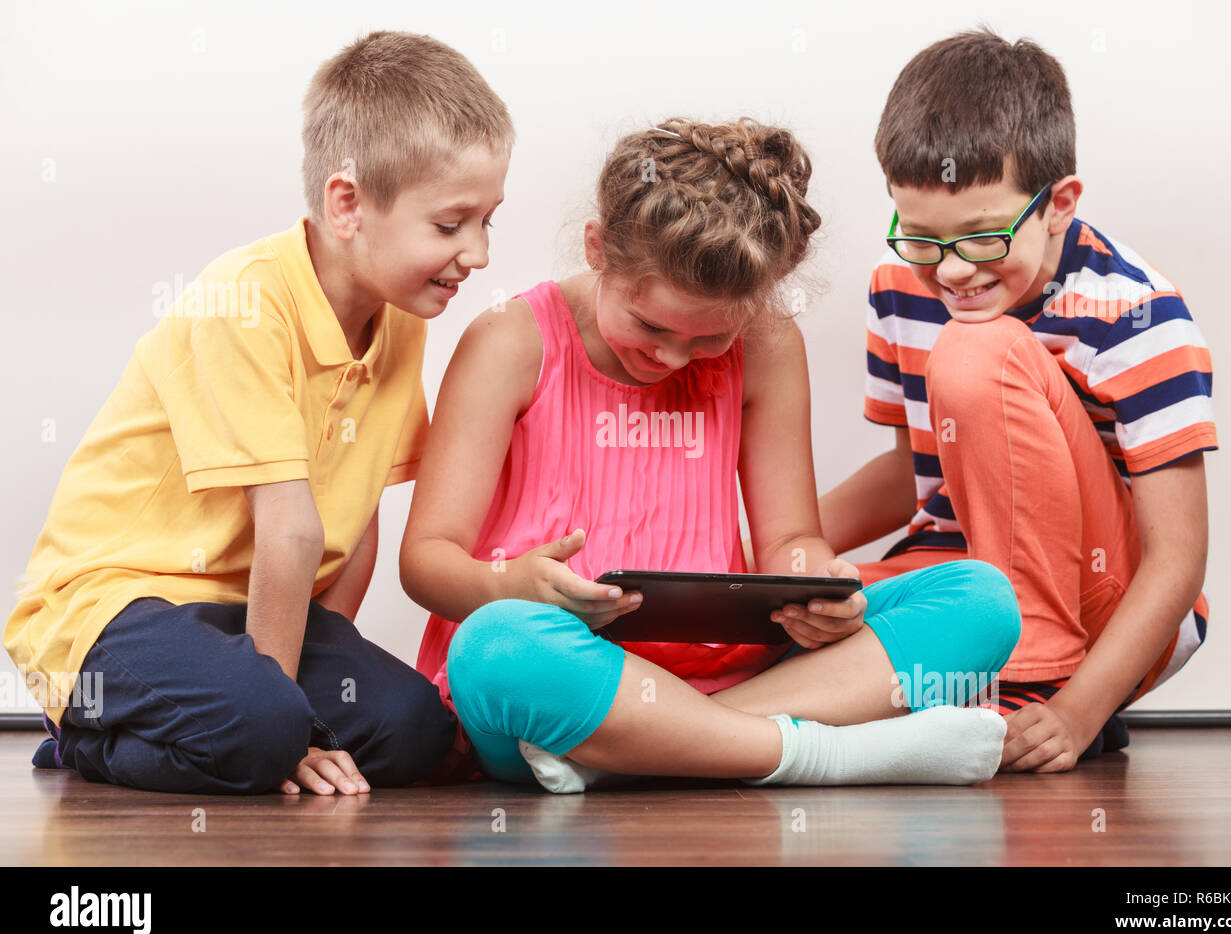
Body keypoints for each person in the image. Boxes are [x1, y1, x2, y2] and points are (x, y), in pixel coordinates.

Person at [399, 118, 1019, 793]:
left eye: (708, 340)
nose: (671, 359)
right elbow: (427, 559)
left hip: (728, 674)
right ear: (598, 249)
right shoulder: (511, 342)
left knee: (980, 599)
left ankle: (648, 751)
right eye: (651, 327)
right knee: (494, 647)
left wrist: (816, 588)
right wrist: (504, 585)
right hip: (567, 679)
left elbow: (790, 538)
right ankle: (825, 755)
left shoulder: (768, 344)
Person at [3, 30, 514, 795]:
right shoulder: (241, 302)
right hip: (112, 608)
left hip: (242, 619)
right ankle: (86, 738)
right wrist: (289, 718)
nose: (475, 254)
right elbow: (294, 527)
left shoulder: (402, 315)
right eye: (450, 226)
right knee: (268, 729)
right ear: (348, 204)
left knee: (415, 729)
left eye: (488, 222)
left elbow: (356, 515)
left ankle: (251, 728)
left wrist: (322, 654)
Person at [820, 28, 1215, 773]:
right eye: (923, 238)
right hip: (964, 574)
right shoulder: (901, 282)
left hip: (1105, 601)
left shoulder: (1137, 312)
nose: (952, 273)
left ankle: (1033, 672)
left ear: (1059, 203)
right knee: (793, 619)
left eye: (980, 238)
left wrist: (1078, 710)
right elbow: (916, 472)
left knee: (978, 348)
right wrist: (771, 558)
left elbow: (1178, 559)